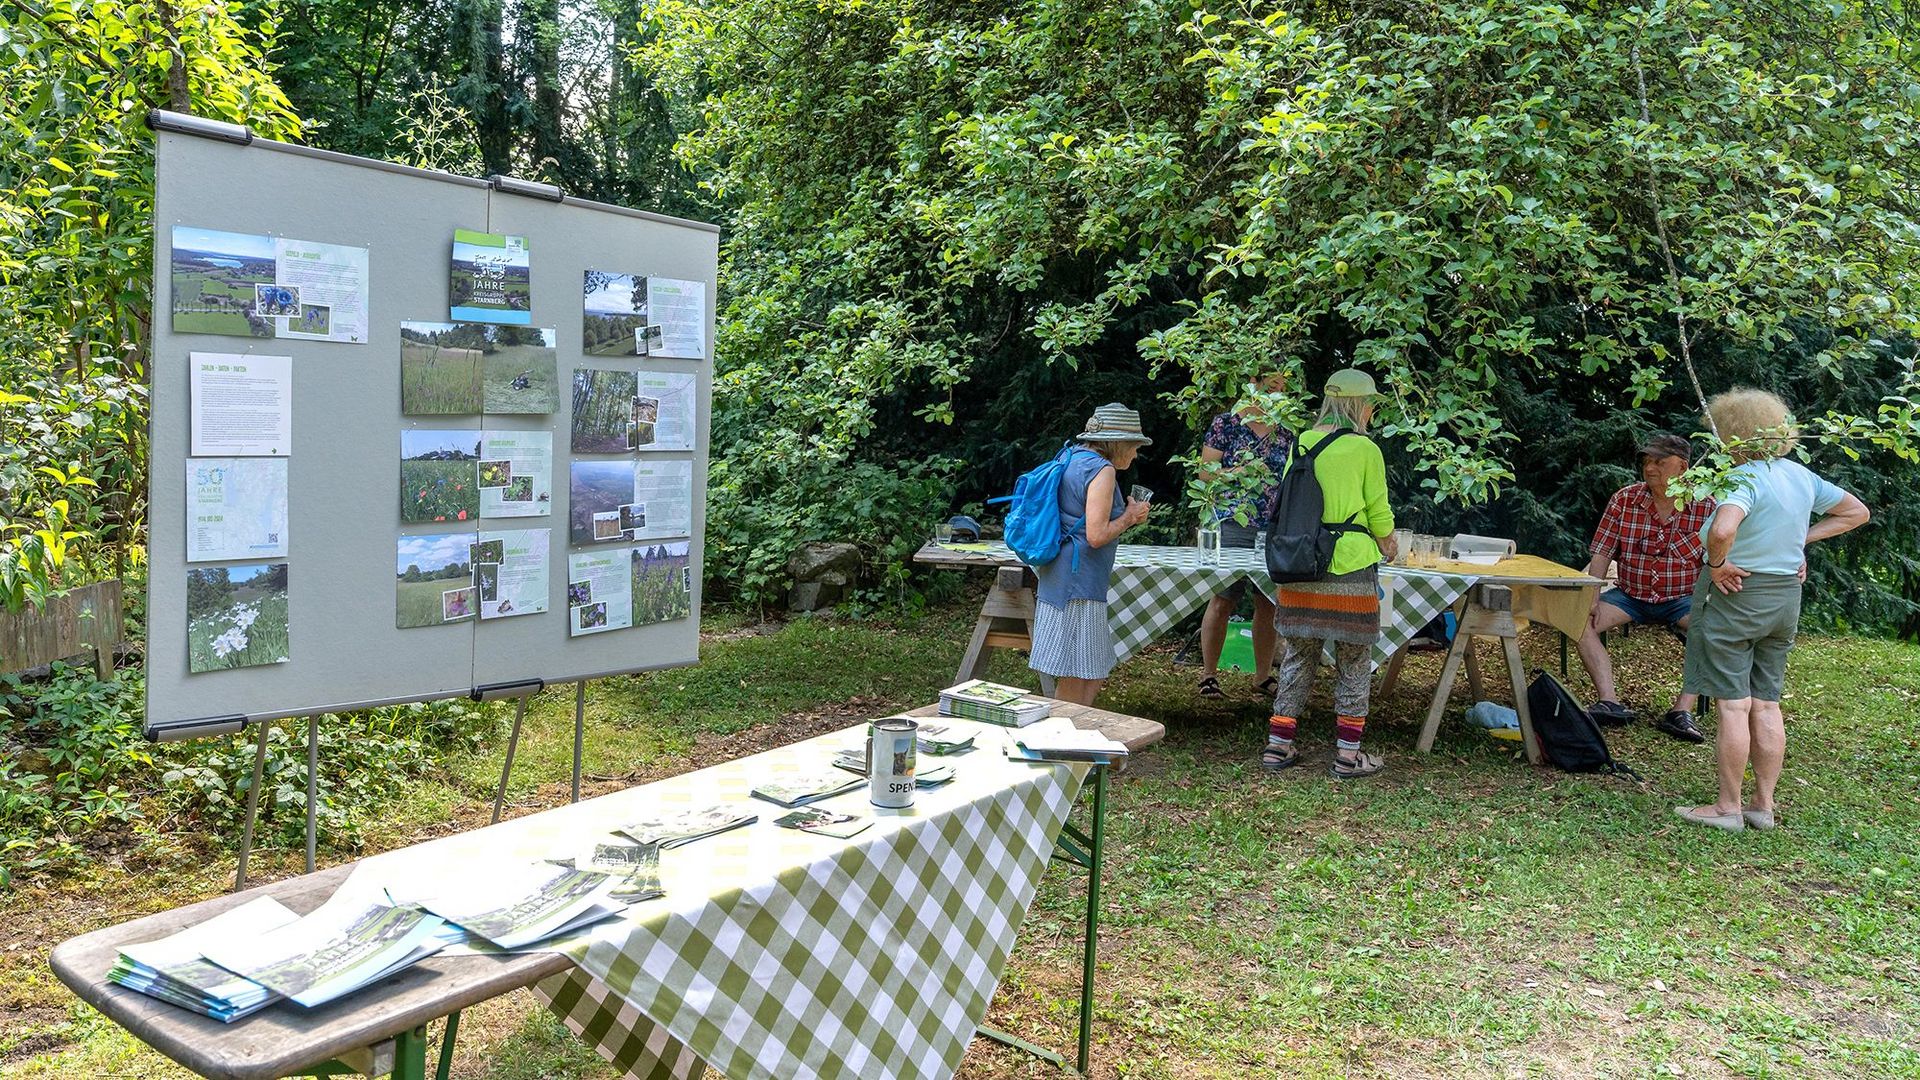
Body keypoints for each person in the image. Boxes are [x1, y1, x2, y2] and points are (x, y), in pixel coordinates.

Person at [1675, 389, 1869, 832]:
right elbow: (1856, 512)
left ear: (1732, 434)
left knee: (1733, 705)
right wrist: (1799, 541)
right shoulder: (1801, 477)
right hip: (1784, 597)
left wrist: (1718, 564)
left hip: (1737, 594)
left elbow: (1722, 530)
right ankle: (1763, 806)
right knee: (1766, 703)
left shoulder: (1742, 477)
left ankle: (1727, 808)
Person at [1263, 369, 1396, 779]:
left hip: (1302, 563)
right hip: (1350, 565)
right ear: (1357, 405)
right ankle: (1348, 755)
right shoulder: (1364, 449)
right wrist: (1388, 545)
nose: (1373, 410)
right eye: (1370, 402)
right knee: (1354, 659)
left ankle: (1278, 746)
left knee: (1299, 656)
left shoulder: (1302, 441)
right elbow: (1378, 512)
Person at [1576, 433, 1717, 741]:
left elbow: (1724, 556)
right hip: (1630, 594)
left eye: (1659, 462)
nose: (1650, 468)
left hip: (1682, 599)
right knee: (1578, 621)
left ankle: (1681, 712)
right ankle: (1609, 701)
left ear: (1682, 467)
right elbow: (1602, 550)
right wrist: (1592, 596)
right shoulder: (1625, 499)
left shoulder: (1706, 505)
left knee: (1713, 631)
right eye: (1646, 461)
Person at [1028, 403, 1153, 706]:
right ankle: (1061, 742)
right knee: (1075, 672)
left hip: (1061, 574)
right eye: (1134, 446)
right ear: (1118, 443)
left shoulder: (1070, 456)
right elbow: (1096, 535)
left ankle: (1076, 737)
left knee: (1093, 667)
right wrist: (1130, 517)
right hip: (1078, 581)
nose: (1135, 454)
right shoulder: (1103, 470)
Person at [1195, 368, 1294, 699]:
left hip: (1273, 526)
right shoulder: (1227, 423)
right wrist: (1238, 473)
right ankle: (1209, 675)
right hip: (1231, 522)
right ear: (1254, 384)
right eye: (1273, 385)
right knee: (1223, 598)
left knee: (1268, 604)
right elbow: (1205, 475)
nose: (1279, 392)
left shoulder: (1285, 431)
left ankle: (1262, 677)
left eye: (1283, 386)